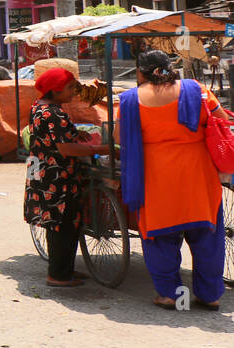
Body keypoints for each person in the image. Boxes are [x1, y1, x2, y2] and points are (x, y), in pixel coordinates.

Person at [118, 50, 228, 310]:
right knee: (207, 235)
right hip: (198, 174)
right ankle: (210, 295)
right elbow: (221, 119)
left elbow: (120, 138)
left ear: (140, 72)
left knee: (161, 237)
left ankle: (173, 296)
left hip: (157, 177)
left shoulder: (130, 100)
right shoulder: (197, 90)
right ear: (169, 67)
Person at [23, 67, 110, 287]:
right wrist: (101, 149)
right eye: (70, 88)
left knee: (64, 224)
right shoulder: (53, 113)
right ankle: (58, 275)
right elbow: (65, 149)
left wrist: (74, 133)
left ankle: (65, 269)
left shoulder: (40, 107)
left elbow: (54, 136)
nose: (74, 92)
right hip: (56, 178)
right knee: (62, 225)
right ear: (56, 90)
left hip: (44, 172)